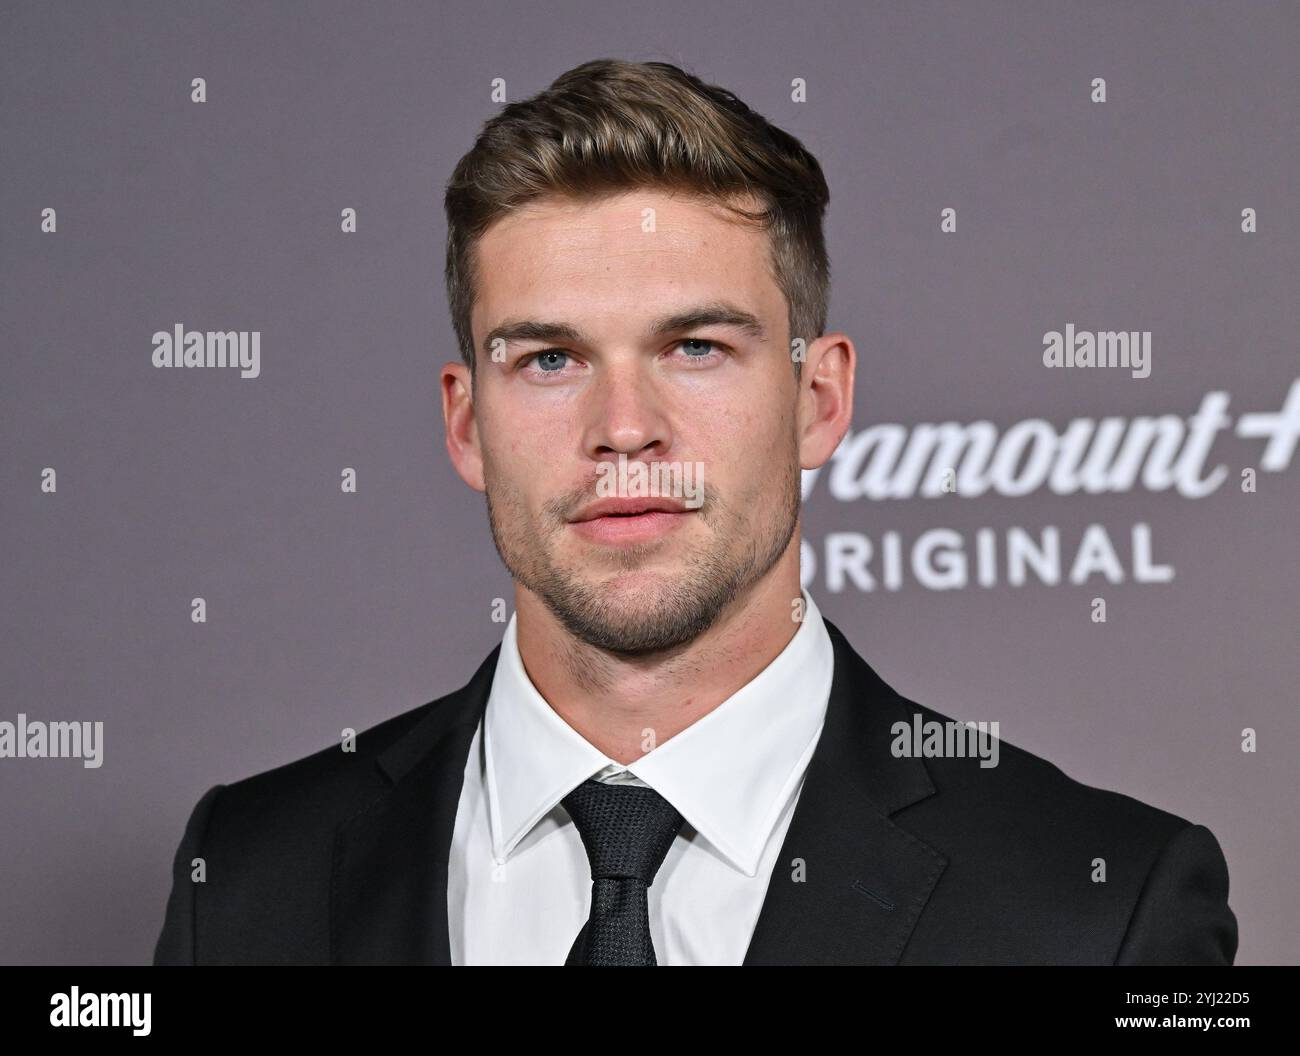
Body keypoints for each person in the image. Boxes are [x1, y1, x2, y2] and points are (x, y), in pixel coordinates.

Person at [152, 58, 1237, 965]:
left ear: (819, 400)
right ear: (467, 425)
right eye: (548, 359)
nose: (624, 426)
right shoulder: (248, 878)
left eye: (696, 348)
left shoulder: (1103, 906)